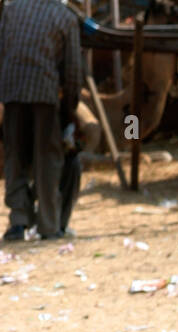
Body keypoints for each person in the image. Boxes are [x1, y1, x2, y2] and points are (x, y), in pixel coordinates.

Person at [0, 0, 84, 241]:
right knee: (48, 160)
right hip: (44, 93)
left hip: (12, 91)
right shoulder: (65, 16)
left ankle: (18, 222)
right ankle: (49, 225)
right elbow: (73, 72)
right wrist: (70, 108)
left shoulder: (11, 9)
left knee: (15, 157)